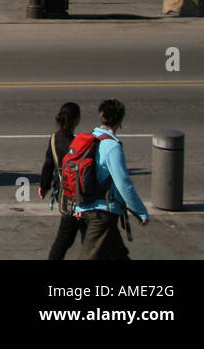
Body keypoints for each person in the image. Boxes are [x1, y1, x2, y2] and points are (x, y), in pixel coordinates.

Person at [73, 98, 150, 260]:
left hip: (85, 206)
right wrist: (141, 212)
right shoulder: (112, 146)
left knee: (118, 255)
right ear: (120, 120)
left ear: (102, 116)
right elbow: (124, 184)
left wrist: (76, 206)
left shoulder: (89, 138)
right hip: (102, 213)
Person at [39, 101, 84, 260]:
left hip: (64, 194)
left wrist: (43, 187)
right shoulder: (77, 143)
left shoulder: (54, 138)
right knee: (69, 239)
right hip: (78, 196)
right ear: (77, 120)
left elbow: (48, 164)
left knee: (65, 239)